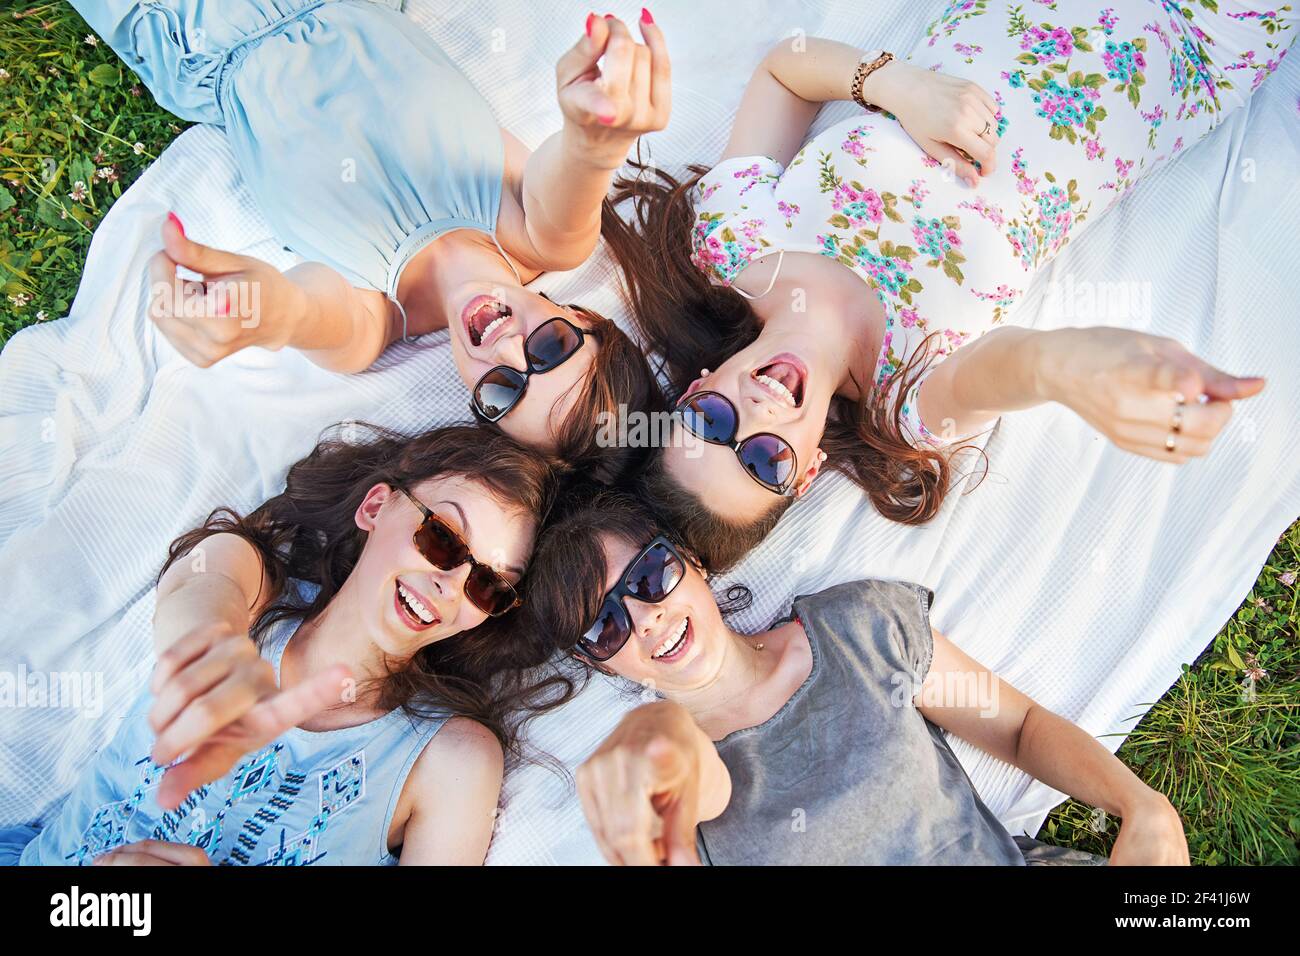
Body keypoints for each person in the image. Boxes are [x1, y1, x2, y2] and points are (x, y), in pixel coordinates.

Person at [602, 2, 1292, 568]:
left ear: (695, 391)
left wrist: (894, 85)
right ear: (806, 471)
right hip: (1193, 43)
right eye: (761, 459)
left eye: (712, 424)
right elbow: (1024, 364)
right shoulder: (913, 401)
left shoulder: (733, 248)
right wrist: (1084, 369)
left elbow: (785, 73)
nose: (752, 414)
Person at [76, 2, 670, 482]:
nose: (508, 351)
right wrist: (596, 141)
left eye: (504, 390)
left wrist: (261, 313)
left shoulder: (372, 322)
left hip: (191, 29)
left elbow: (303, 312)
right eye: (550, 349)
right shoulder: (541, 234)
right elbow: (577, 177)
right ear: (581, 315)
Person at [2, 424, 573, 865]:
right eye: (443, 539)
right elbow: (202, 588)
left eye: (488, 584)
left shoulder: (452, 758)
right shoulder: (256, 596)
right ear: (375, 508)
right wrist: (210, 652)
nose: (450, 585)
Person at [526, 490, 1189, 865]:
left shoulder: (859, 628)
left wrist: (1141, 806)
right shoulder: (653, 771)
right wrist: (661, 728)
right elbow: (688, 779)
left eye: (648, 576)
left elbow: (1018, 727)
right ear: (594, 660)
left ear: (692, 560)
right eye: (604, 624)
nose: (645, 617)